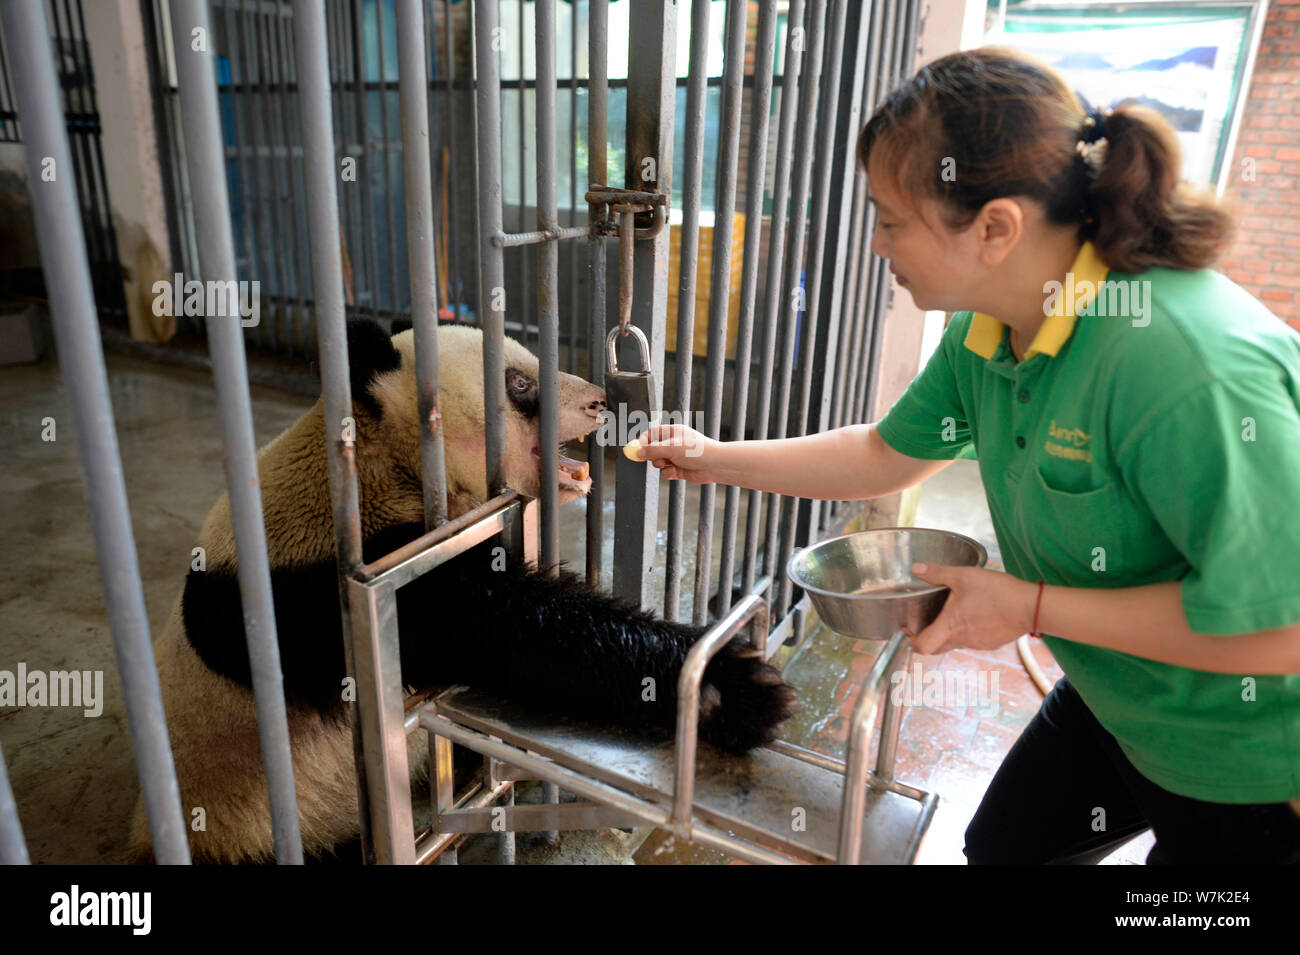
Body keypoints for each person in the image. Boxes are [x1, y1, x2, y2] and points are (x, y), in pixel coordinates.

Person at [633, 46, 1300, 865]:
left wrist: (1028, 605)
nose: (878, 246)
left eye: (889, 218)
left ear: (995, 227)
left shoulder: (1184, 367)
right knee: (1003, 850)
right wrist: (711, 456)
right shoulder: (989, 329)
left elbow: (1281, 628)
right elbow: (883, 455)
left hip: (1259, 757)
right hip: (1121, 695)